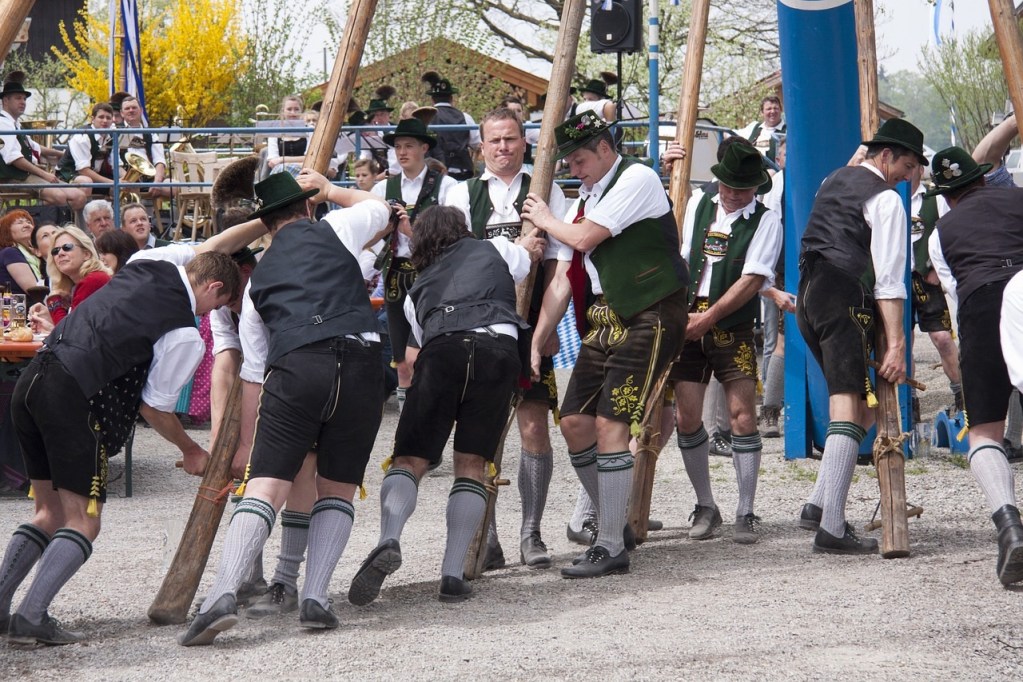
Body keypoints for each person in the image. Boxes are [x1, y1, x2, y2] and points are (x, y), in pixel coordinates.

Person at [0, 217, 262, 645]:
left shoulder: (149, 260)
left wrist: (261, 222)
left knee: (47, 513)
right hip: (73, 398)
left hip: (32, 382)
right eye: (216, 307)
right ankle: (31, 617)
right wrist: (192, 450)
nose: (209, 315)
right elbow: (154, 408)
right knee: (84, 520)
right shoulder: (183, 332)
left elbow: (211, 246)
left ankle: (1, 607)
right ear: (213, 289)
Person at [178, 170, 393, 645]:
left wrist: (247, 447)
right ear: (308, 209)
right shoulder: (336, 229)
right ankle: (315, 597)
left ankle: (221, 596)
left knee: (267, 485)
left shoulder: (254, 288)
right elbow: (379, 202)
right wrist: (331, 187)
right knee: (336, 487)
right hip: (362, 364)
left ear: (266, 224)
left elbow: (252, 375)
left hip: (299, 368)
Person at [521, 111, 689, 578]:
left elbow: (584, 237)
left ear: (605, 150)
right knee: (574, 421)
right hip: (607, 316)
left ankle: (611, 543)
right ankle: (616, 522)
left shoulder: (636, 177)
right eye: (569, 164)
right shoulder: (587, 198)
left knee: (612, 425)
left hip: (653, 311)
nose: (575, 171)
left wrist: (544, 217)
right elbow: (560, 281)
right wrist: (537, 339)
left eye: (579, 160)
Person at [347, 205, 542, 605]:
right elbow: (527, 258)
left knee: (410, 459)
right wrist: (528, 243)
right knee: (471, 464)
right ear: (462, 230)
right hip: (498, 349)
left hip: (444, 349)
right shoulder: (495, 249)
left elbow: (422, 344)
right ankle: (452, 573)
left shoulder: (415, 291)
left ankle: (389, 539)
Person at [444, 106, 570, 568]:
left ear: (525, 142)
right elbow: (453, 263)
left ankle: (531, 533)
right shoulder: (461, 194)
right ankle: (487, 534)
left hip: (532, 322)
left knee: (535, 427)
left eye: (511, 139)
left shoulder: (546, 191)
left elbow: (559, 270)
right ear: (480, 147)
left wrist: (545, 331)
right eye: (494, 140)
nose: (503, 147)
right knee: (483, 428)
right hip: (481, 325)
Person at [795, 118, 926, 555]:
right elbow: (890, 281)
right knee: (848, 403)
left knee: (860, 409)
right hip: (844, 293)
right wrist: (897, 345)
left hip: (809, 294)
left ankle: (818, 503)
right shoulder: (885, 200)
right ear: (886, 156)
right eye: (906, 165)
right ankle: (831, 527)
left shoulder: (835, 178)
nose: (908, 176)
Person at [670, 141, 782, 545]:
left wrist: (709, 317)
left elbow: (753, 279)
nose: (733, 193)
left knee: (742, 417)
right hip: (687, 319)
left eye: (742, 187)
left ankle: (746, 509)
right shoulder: (698, 202)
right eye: (728, 185)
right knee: (686, 417)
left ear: (756, 186)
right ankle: (706, 504)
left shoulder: (767, 221)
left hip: (731, 324)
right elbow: (677, 255)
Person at [924, 147, 1023, 587]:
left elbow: (954, 295)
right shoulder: (1018, 198)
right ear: (982, 179)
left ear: (945, 196)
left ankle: (1009, 525)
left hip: (981, 303)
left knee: (984, 430)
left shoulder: (939, 233)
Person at [372, 115, 458, 413]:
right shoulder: (382, 188)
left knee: (425, 351)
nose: (402, 152)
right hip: (396, 275)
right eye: (397, 146)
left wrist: (414, 230)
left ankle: (432, 410)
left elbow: (453, 235)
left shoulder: (447, 186)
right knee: (400, 358)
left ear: (424, 148)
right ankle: (408, 420)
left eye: (409, 145)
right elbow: (371, 237)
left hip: (433, 275)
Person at [907, 163, 961, 416]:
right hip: (896, 280)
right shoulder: (887, 195)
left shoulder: (933, 199)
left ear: (920, 169)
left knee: (942, 338)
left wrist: (939, 270)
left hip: (926, 278)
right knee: (902, 343)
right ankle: (909, 401)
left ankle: (962, 396)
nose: (907, 171)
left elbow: (951, 234)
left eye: (912, 166)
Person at [0, 73, 88, 211]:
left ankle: (68, 229)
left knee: (79, 196)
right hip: (11, 177)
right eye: (18, 98)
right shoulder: (2, 123)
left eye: (24, 99)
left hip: (25, 175)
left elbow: (34, 146)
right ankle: (44, 227)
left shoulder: (14, 123)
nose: (23, 102)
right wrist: (44, 174)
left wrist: (63, 154)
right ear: (5, 101)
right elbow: (14, 158)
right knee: (58, 196)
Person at [29, 226, 112, 334]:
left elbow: (68, 334)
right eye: (55, 250)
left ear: (86, 254)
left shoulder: (94, 280)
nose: (60, 253)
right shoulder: (77, 284)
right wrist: (49, 317)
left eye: (67, 247)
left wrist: (53, 300)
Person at [422, 71, 479, 180]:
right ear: (451, 98)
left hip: (435, 174)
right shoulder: (465, 117)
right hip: (463, 172)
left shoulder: (426, 118)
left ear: (432, 99)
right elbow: (476, 144)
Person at [117, 95, 170, 200]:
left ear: (141, 110)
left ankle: (148, 215)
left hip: (149, 179)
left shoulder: (151, 134)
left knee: (173, 187)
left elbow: (159, 160)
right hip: (125, 177)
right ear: (122, 113)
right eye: (127, 108)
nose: (131, 110)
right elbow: (114, 162)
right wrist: (128, 179)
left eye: (134, 107)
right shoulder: (117, 132)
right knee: (131, 186)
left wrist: (157, 182)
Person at [55, 103, 116, 190]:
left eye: (108, 118)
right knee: (86, 183)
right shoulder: (83, 136)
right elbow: (83, 170)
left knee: (130, 185)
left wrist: (126, 180)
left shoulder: (112, 136)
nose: (105, 121)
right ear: (93, 119)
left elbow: (117, 165)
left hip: (95, 175)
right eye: (101, 117)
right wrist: (114, 183)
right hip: (69, 174)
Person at [0, 210, 46, 294]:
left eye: (29, 222)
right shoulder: (10, 253)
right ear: (7, 230)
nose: (27, 225)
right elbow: (35, 291)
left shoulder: (36, 255)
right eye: (19, 223)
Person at [737, 95, 786, 163]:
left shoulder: (787, 131)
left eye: (776, 108)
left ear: (781, 110)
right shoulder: (754, 127)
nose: (772, 111)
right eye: (769, 109)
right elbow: (732, 134)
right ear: (762, 112)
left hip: (772, 171)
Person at [265, 96, 306, 172]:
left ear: (301, 111)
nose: (293, 113)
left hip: (304, 172)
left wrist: (281, 160)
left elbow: (311, 158)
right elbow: (273, 161)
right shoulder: (274, 131)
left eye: (296, 109)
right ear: (283, 111)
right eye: (289, 109)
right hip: (281, 172)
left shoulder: (308, 130)